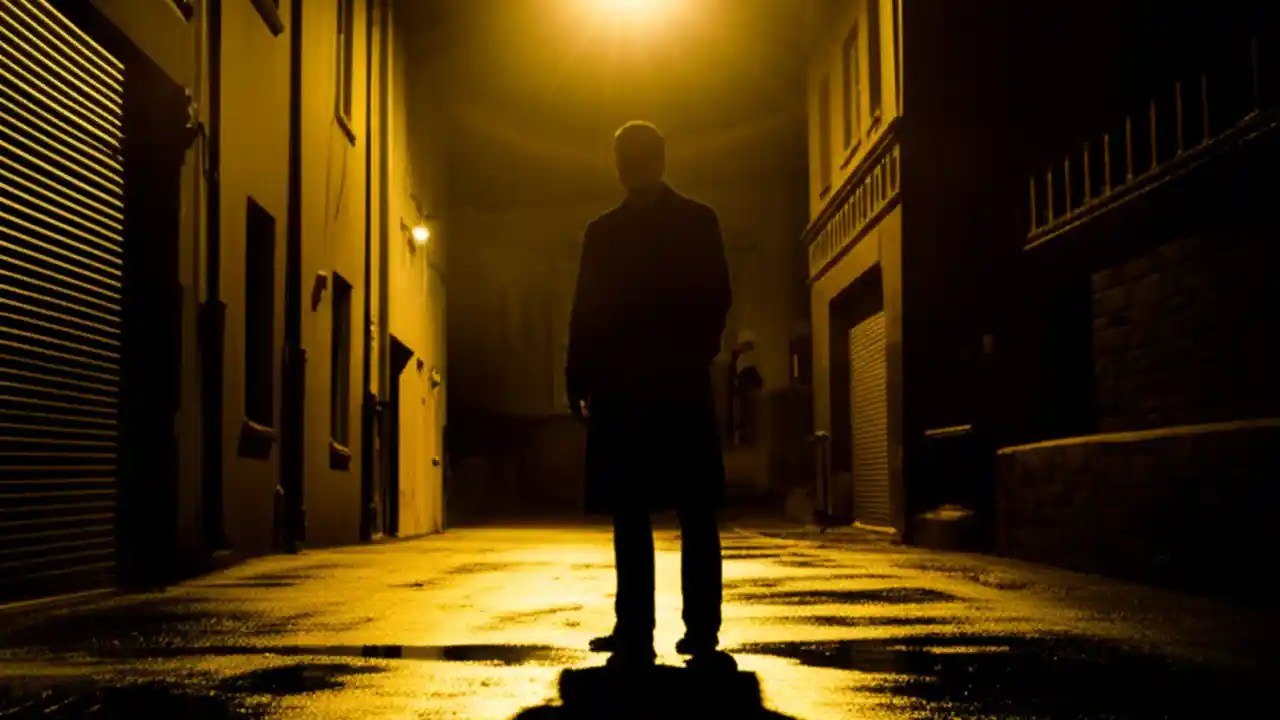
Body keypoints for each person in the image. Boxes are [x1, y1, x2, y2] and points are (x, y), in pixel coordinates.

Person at [566, 121, 732, 667]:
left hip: (645, 382)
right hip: (661, 383)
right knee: (671, 509)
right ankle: (682, 629)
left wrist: (581, 374)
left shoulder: (610, 231)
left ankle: (652, 628)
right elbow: (716, 296)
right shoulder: (692, 221)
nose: (630, 168)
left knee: (652, 510)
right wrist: (581, 373)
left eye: (633, 158)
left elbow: (587, 308)